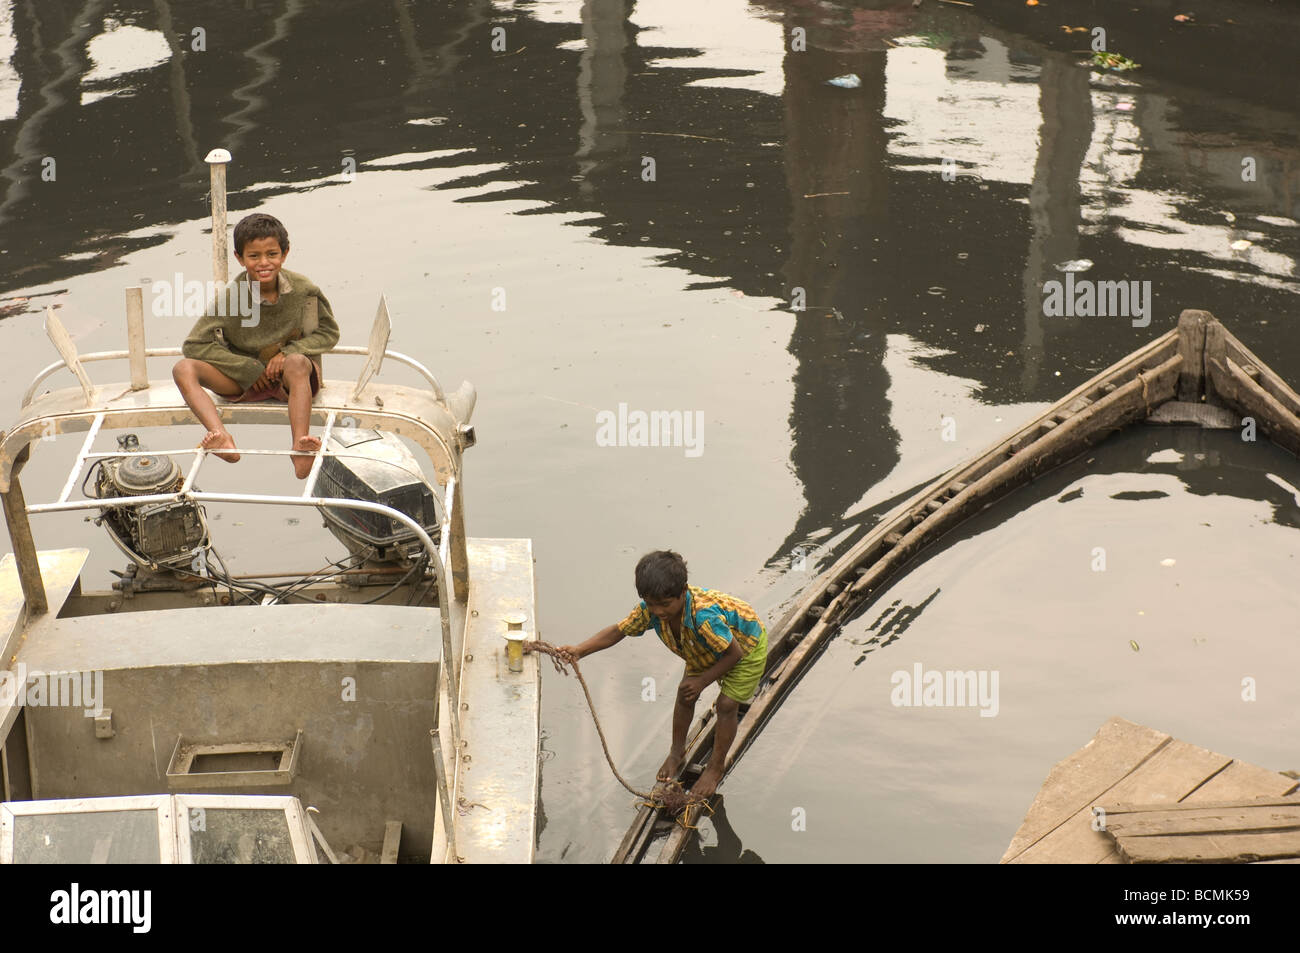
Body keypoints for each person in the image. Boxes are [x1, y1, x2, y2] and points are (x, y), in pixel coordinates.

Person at [560, 550, 767, 800]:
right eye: (652, 603)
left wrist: (702, 681)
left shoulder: (703, 617)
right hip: (699, 647)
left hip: (745, 644)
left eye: (665, 605)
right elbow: (618, 631)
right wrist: (579, 650)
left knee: (726, 705)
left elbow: (733, 654)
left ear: (682, 593)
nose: (658, 611)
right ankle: (676, 752)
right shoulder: (651, 610)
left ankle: (715, 768)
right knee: (684, 695)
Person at [172, 213, 340, 479]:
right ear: (240, 258)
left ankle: (300, 449)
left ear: (285, 254)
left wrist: (287, 353)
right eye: (254, 256)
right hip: (245, 381)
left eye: (272, 254)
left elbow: (328, 333)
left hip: (292, 382)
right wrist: (247, 368)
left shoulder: (303, 289)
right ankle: (222, 438)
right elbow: (195, 344)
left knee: (297, 363)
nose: (264, 263)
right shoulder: (233, 297)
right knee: (183, 369)